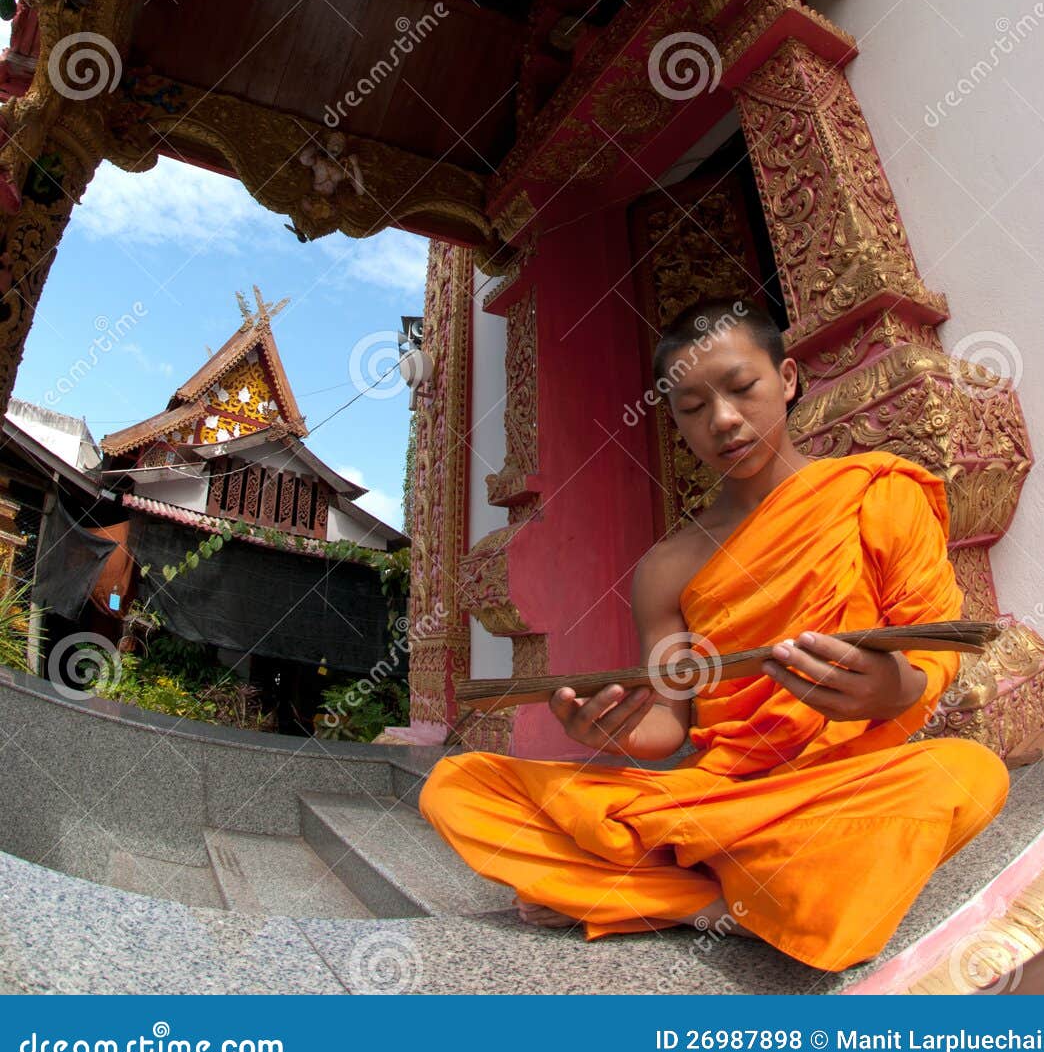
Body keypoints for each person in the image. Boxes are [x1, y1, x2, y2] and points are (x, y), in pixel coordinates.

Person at [419, 296, 1010, 973]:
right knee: (459, 788)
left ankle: (652, 891)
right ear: (673, 422)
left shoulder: (875, 492)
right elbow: (668, 724)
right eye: (692, 408)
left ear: (786, 379)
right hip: (715, 798)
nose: (723, 421)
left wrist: (888, 689)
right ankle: (706, 905)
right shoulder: (666, 567)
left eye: (740, 388)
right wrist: (614, 734)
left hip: (840, 788)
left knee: (965, 772)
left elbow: (926, 649)